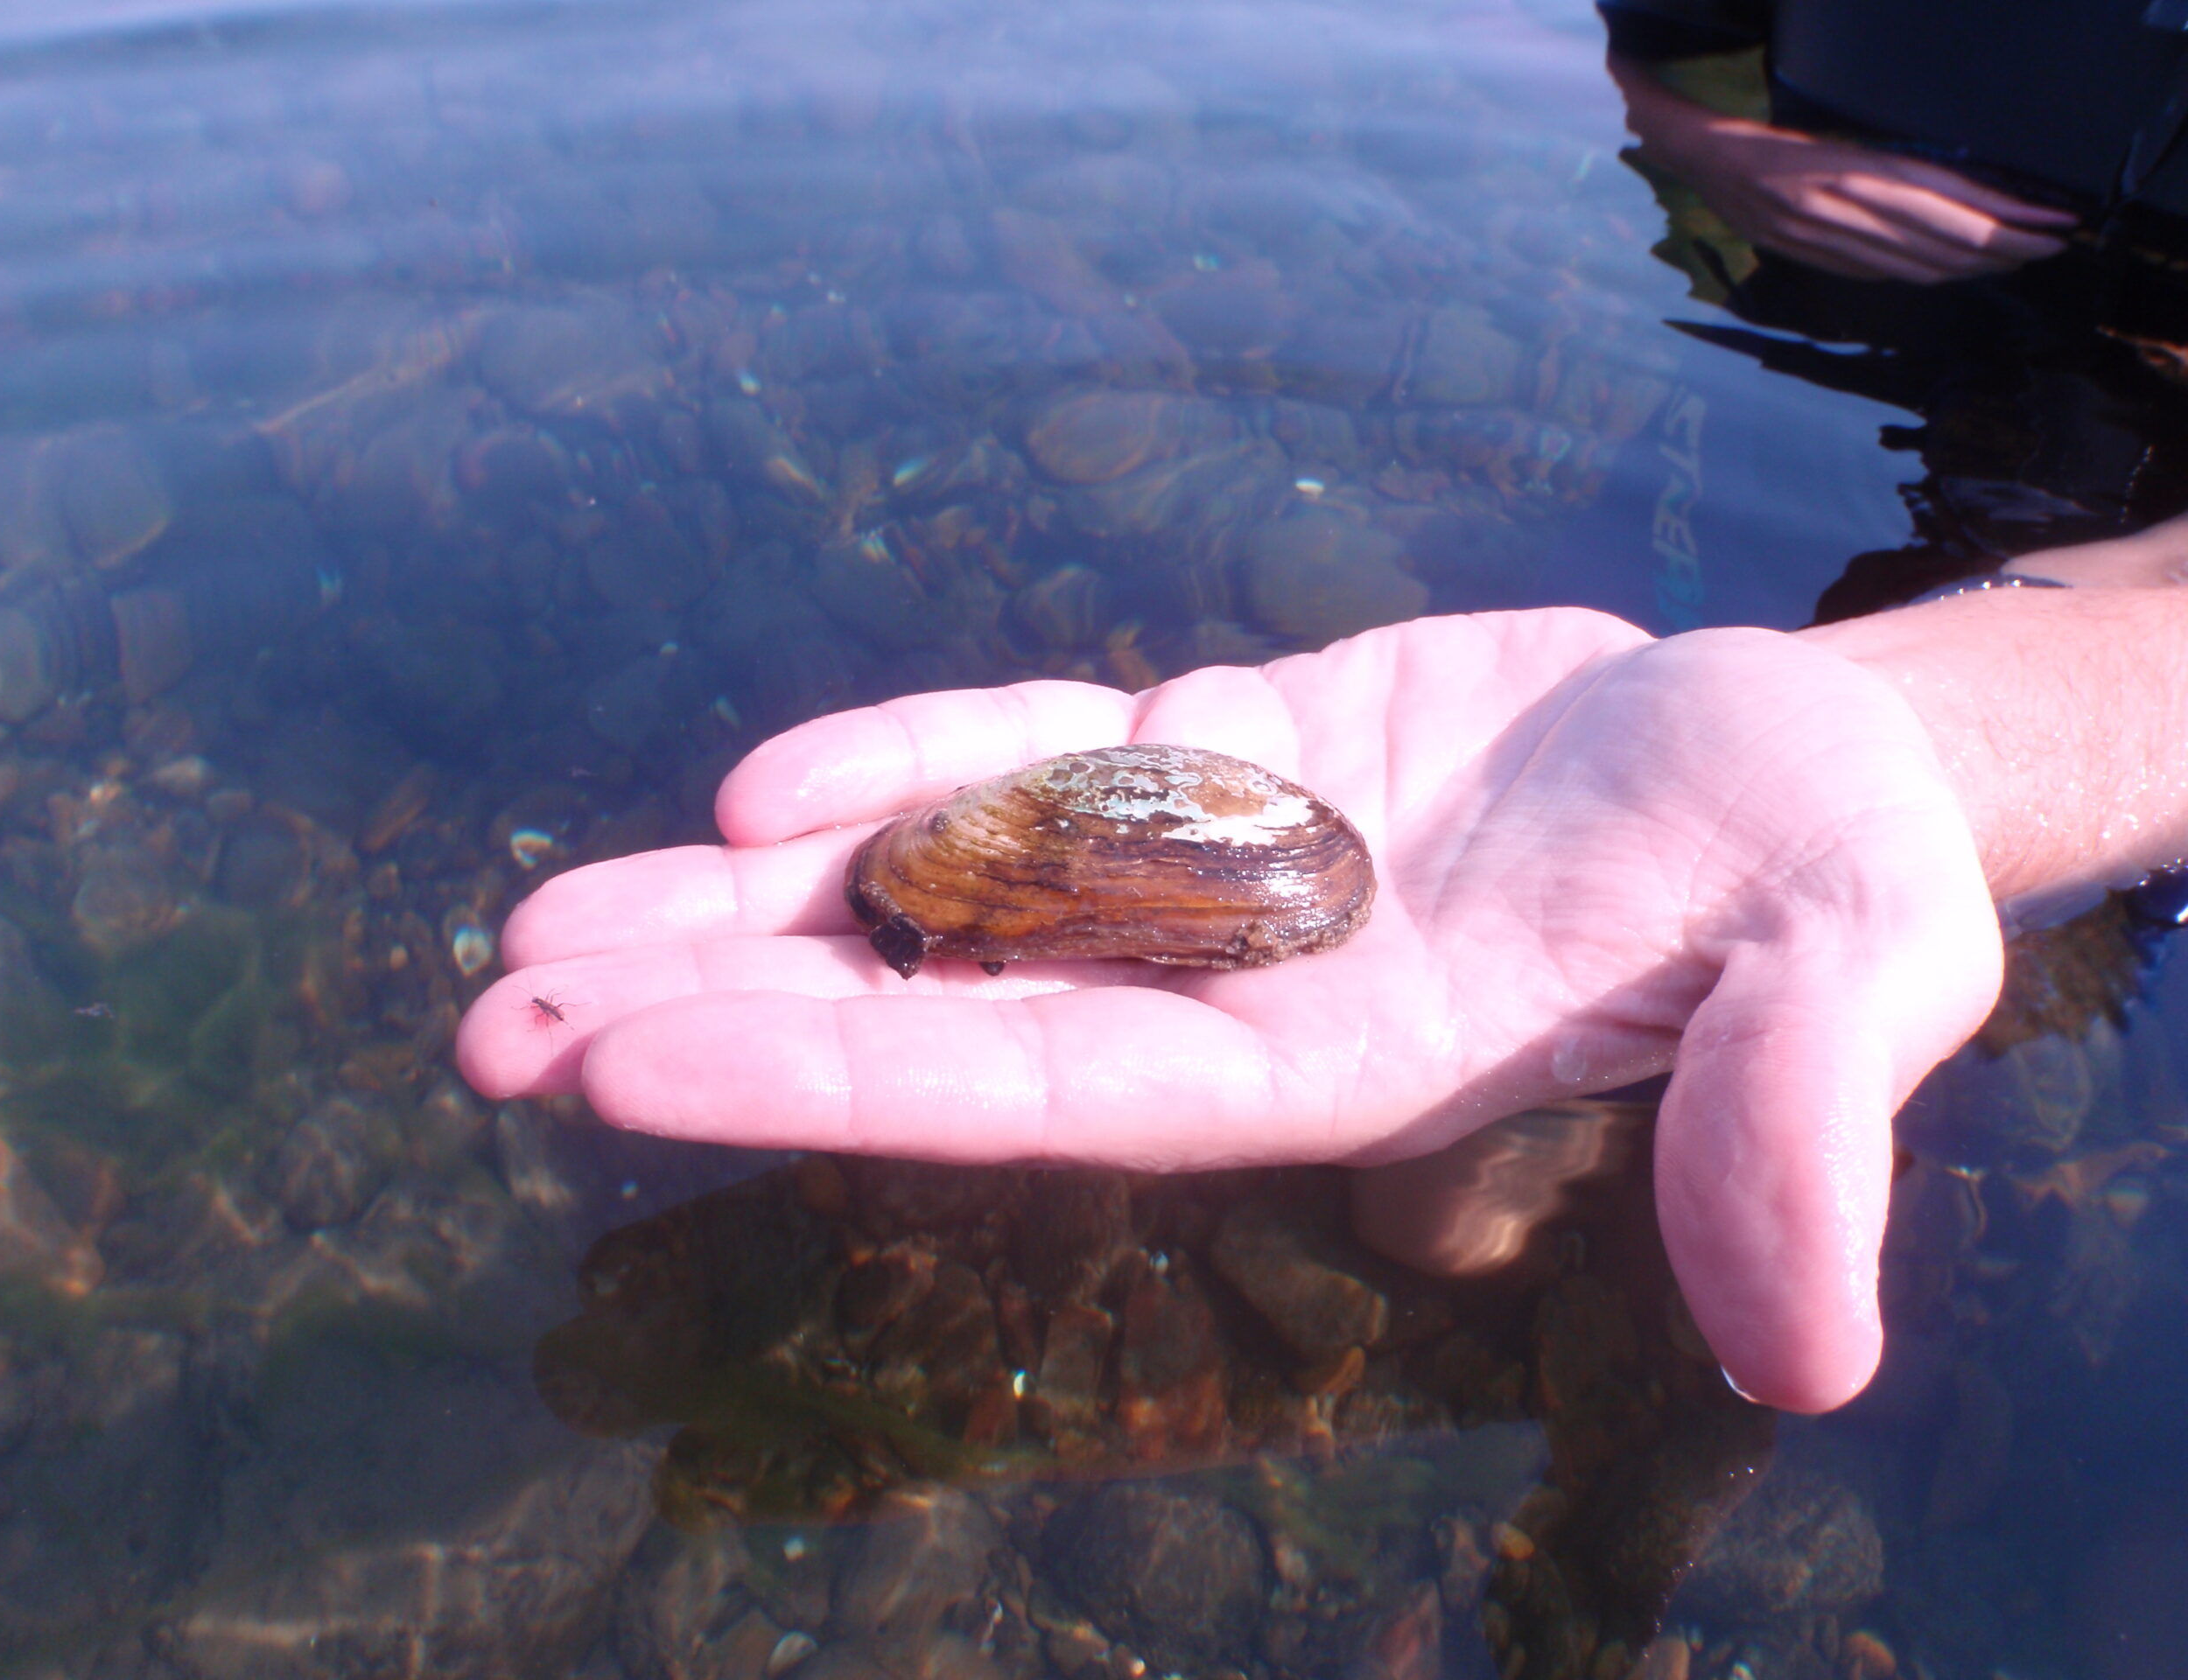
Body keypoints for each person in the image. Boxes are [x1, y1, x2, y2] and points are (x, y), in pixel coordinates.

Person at [455, 5, 2188, 1416]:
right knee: (1435, 1191)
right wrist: (1733, 149)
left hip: (2061, 518)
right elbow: (1646, 51)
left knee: (1618, 1115)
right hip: (1827, 389)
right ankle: (1496, 1244)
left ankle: (1530, 1286)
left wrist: (1974, 740)